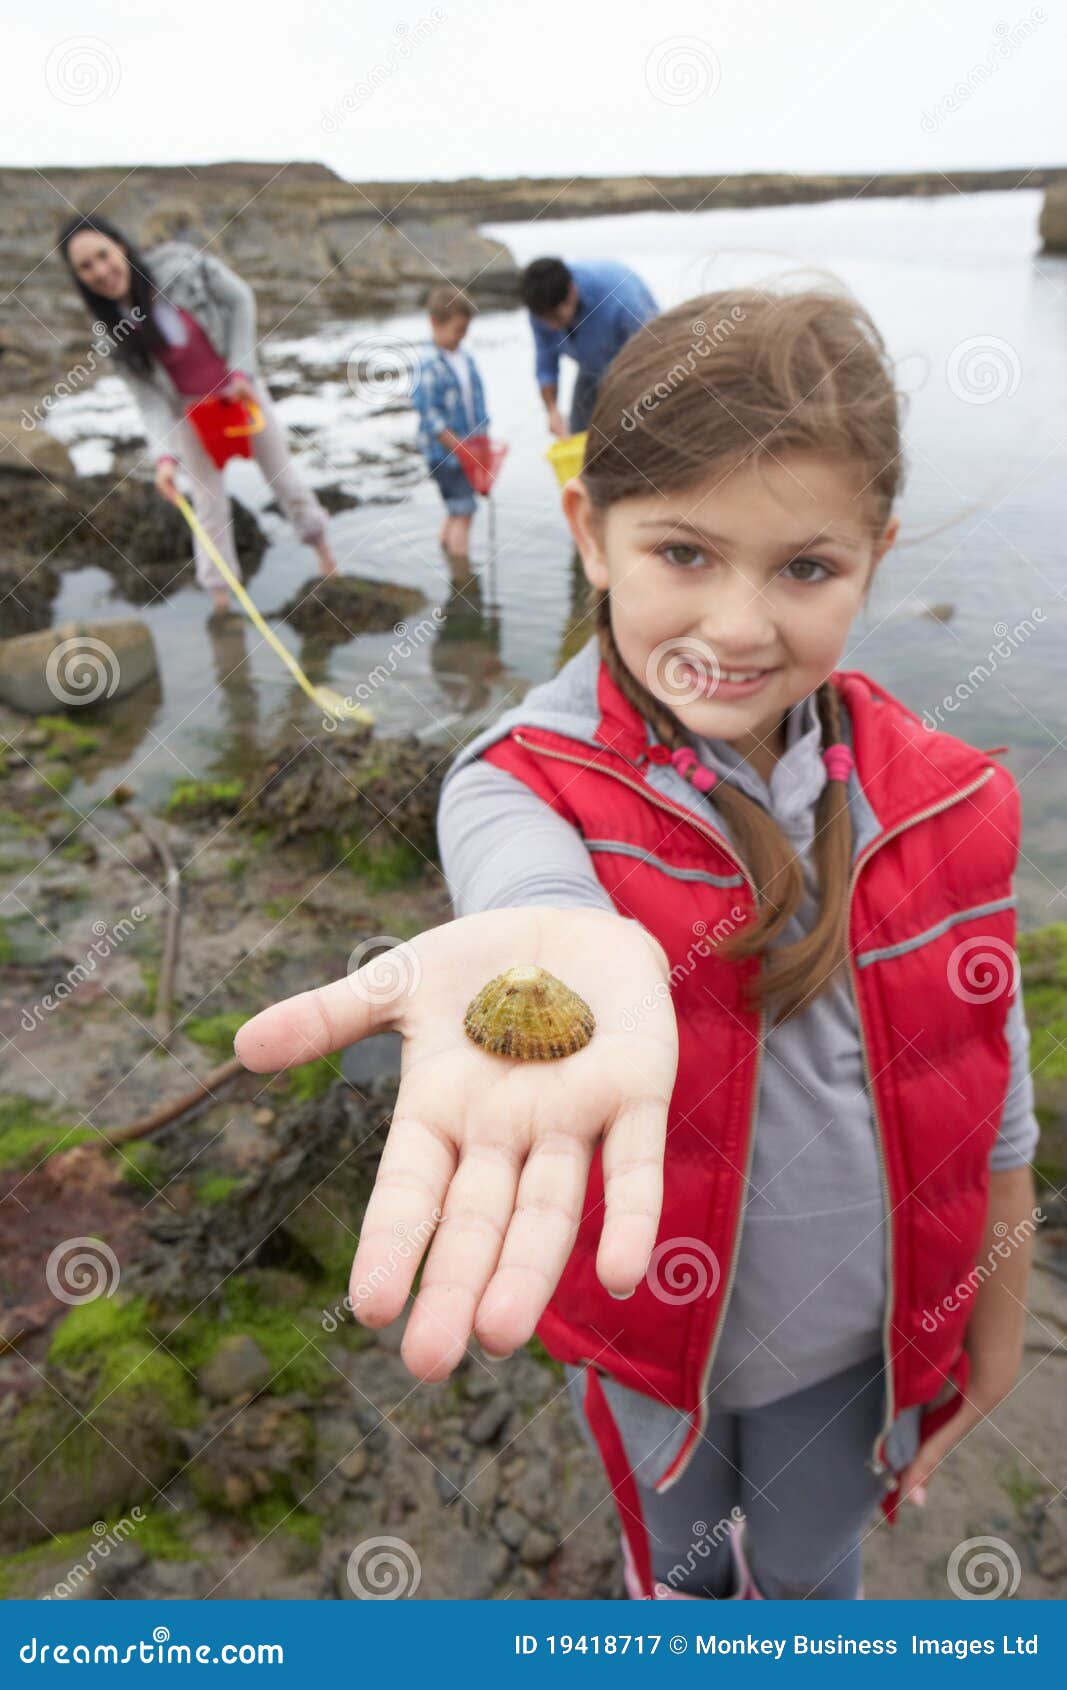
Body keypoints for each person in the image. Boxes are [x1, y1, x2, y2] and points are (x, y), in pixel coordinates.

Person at [234, 287, 1039, 1602]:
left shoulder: (951, 798)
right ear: (587, 533)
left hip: (857, 1347)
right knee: (678, 1568)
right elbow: (524, 887)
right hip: (645, 1339)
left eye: (803, 567)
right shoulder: (523, 782)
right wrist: (551, 941)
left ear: (873, 555)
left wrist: (991, 1316)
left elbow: (990, 1083)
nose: (733, 625)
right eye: (682, 552)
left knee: (808, 1569)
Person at [59, 214, 340, 616]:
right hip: (191, 414)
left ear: (120, 246)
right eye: (86, 267)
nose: (100, 271)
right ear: (79, 278)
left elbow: (240, 299)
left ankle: (325, 557)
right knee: (209, 508)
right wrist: (164, 460)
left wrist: (243, 369)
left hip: (240, 394)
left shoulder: (181, 267)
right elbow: (151, 402)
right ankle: (222, 602)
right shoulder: (110, 334)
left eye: (103, 255)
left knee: (285, 479)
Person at [521, 255, 658, 436]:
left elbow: (654, 355)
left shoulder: (624, 300)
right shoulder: (541, 308)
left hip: (640, 365)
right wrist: (552, 410)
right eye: (545, 320)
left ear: (571, 292)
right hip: (590, 368)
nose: (551, 327)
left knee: (635, 431)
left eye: (556, 318)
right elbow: (546, 365)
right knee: (580, 433)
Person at [412, 284, 491, 569]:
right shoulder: (428, 364)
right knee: (465, 511)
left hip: (468, 450)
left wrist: (482, 445)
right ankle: (462, 577)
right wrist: (461, 449)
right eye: (457, 330)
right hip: (445, 455)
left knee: (456, 508)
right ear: (435, 323)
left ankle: (445, 550)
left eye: (465, 331)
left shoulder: (464, 358)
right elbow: (431, 418)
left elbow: (477, 404)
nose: (461, 337)